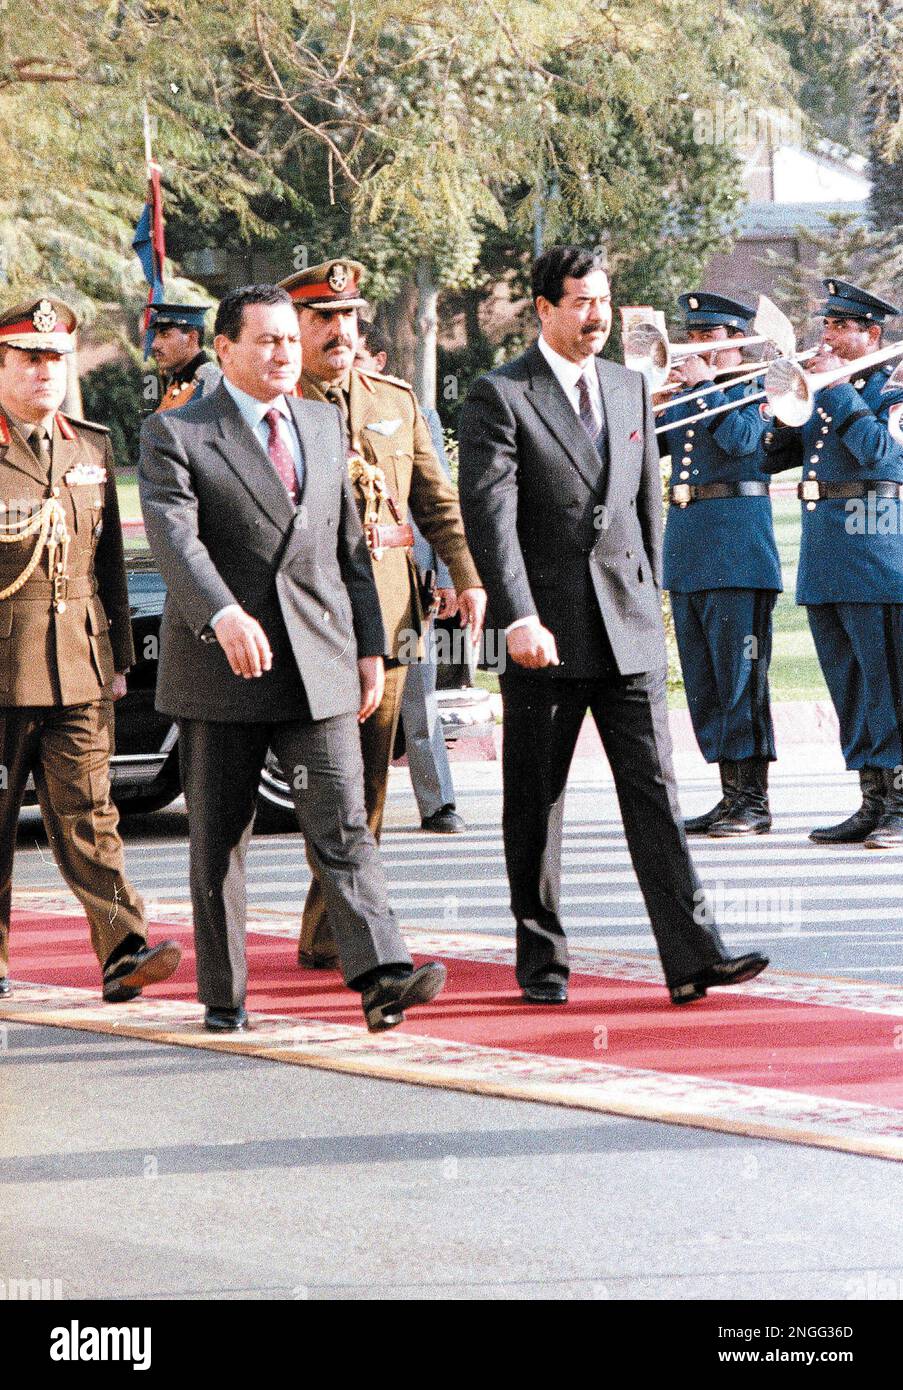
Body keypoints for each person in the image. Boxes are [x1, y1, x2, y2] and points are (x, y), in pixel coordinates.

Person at [458, 245, 769, 1006]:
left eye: (602, 301)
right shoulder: (502, 394)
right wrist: (517, 615)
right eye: (580, 303)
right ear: (544, 309)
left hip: (624, 624)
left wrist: (649, 600)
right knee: (536, 804)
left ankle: (694, 954)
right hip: (545, 632)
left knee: (655, 795)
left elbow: (643, 506)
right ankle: (542, 963)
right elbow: (489, 519)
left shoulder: (630, 388)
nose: (595, 317)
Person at [138, 284, 447, 1033]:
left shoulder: (317, 421)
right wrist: (222, 612)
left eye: (288, 339)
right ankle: (224, 996)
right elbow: (177, 542)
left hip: (318, 666)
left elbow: (349, 547)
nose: (283, 352)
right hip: (224, 671)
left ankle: (380, 977)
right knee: (220, 845)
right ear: (225, 350)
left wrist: (369, 647)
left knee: (343, 825)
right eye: (266, 340)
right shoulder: (177, 433)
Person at [278, 259, 485, 969]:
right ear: (293, 327)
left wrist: (466, 576)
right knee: (320, 785)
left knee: (365, 785)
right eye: (321, 319)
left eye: (348, 318)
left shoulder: (394, 400)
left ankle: (333, 931)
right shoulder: (274, 407)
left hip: (392, 618)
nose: (339, 331)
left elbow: (437, 502)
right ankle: (343, 928)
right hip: (309, 618)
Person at [0, 296, 181, 1002]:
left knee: (92, 819)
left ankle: (122, 950)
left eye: (55, 360)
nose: (45, 372)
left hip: (79, 664)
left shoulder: (90, 445)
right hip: (2, 670)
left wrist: (119, 664)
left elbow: (109, 564)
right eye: (29, 358)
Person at [763, 279, 903, 847]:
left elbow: (884, 456)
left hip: (876, 558)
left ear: (871, 335)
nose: (827, 335)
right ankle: (872, 798)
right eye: (826, 325)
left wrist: (841, 390)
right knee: (851, 685)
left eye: (840, 326)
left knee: (889, 683)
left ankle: (900, 802)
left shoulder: (891, 392)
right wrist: (775, 401)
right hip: (827, 559)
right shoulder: (821, 392)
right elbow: (772, 456)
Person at [657, 292, 781, 836]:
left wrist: (705, 386)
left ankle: (753, 800)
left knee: (740, 679)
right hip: (689, 548)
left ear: (737, 342)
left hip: (737, 552)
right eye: (696, 335)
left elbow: (738, 444)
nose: (699, 346)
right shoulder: (689, 392)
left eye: (711, 337)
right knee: (706, 681)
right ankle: (729, 795)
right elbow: (651, 444)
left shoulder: (757, 389)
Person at [355, 320, 465, 834]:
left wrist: (446, 576)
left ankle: (438, 802)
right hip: (349, 581)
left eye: (358, 352)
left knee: (418, 701)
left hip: (405, 576)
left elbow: (435, 503)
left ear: (378, 359)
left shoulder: (408, 410)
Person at [148, 303, 216, 412]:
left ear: (191, 338)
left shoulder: (212, 382)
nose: (154, 344)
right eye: (155, 335)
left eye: (165, 335)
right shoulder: (178, 380)